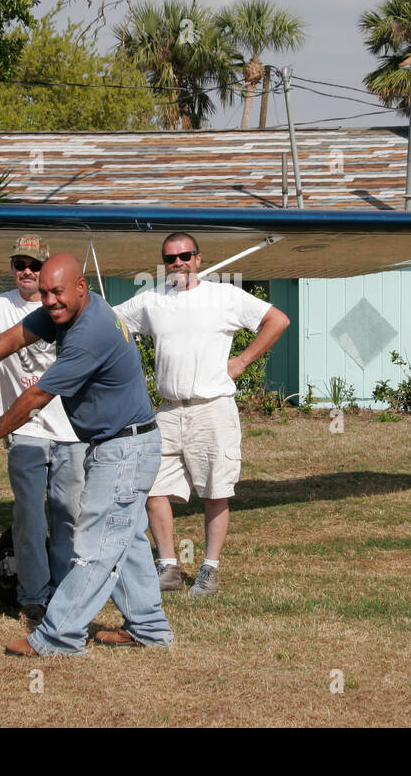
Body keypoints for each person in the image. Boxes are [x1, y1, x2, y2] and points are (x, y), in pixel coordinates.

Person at [0, 254, 171, 657]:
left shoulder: (89, 332)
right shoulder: (68, 310)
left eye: (57, 292)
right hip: (117, 443)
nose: (49, 301)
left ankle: (59, 636)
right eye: (43, 293)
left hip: (125, 447)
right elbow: (15, 335)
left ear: (80, 287)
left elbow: (38, 396)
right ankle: (148, 627)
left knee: (94, 544)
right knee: (124, 538)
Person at [114, 232, 290, 596]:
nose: (177, 263)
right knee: (152, 488)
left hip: (213, 408)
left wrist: (241, 361)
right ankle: (168, 566)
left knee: (215, 490)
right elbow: (109, 324)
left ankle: (209, 569)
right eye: (170, 258)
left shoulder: (224, 296)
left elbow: (277, 320)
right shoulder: (151, 301)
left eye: (184, 256)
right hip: (167, 410)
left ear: (198, 259)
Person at [0, 235, 85, 623]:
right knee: (29, 516)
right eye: (19, 264)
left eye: (34, 265)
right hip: (25, 430)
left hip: (71, 430)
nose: (26, 271)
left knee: (68, 512)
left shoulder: (67, 306)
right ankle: (33, 595)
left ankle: (67, 589)